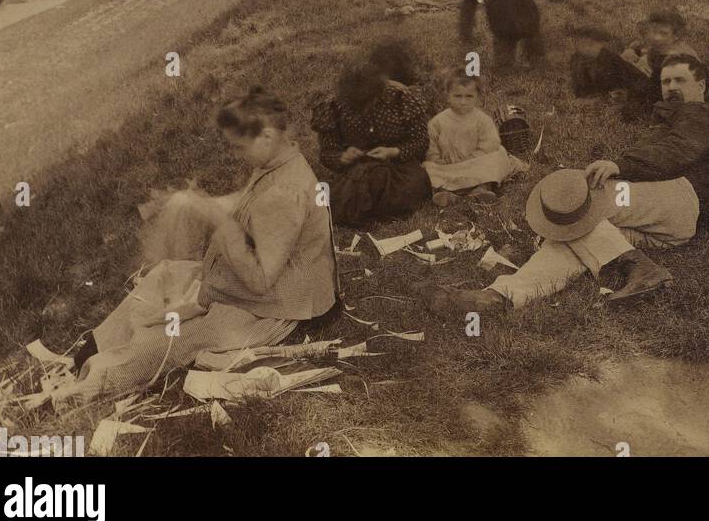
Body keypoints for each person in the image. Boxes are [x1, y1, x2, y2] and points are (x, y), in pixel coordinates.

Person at [56, 87, 338, 403]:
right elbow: (248, 205)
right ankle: (86, 355)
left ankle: (82, 390)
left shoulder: (284, 193)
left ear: (268, 137)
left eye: (239, 148)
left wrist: (223, 225)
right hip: (250, 288)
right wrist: (200, 204)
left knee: (163, 341)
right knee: (164, 275)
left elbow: (261, 281)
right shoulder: (276, 162)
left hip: (276, 307)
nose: (236, 155)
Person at [423, 49, 709, 314]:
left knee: (581, 197)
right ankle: (500, 297)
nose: (671, 87)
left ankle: (642, 269)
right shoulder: (668, 119)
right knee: (571, 232)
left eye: (680, 80)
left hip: (682, 198)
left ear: (701, 86)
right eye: (666, 81)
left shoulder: (699, 113)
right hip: (664, 230)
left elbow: (677, 151)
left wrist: (619, 165)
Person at [310, 57, 431, 226]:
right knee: (357, 187)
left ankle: (367, 212)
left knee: (411, 188)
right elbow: (327, 153)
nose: (364, 111)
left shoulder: (401, 99)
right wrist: (343, 157)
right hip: (357, 170)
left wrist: (393, 152)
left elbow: (420, 142)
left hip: (399, 167)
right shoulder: (334, 106)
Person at [424, 71, 528, 207]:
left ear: (477, 98)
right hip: (449, 167)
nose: (463, 102)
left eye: (469, 96)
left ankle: (481, 189)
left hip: (476, 163)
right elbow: (431, 145)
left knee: (499, 154)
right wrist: (437, 158)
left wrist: (474, 156)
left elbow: (490, 144)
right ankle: (446, 193)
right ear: (448, 96)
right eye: (457, 96)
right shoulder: (438, 122)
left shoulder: (482, 120)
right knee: (428, 168)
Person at [570, 6, 689, 112]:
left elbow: (656, 94)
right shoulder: (659, 49)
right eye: (654, 32)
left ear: (677, 36)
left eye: (663, 33)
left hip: (641, 85)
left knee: (603, 56)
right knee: (584, 57)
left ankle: (594, 97)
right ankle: (587, 96)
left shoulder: (682, 58)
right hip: (636, 75)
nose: (656, 38)